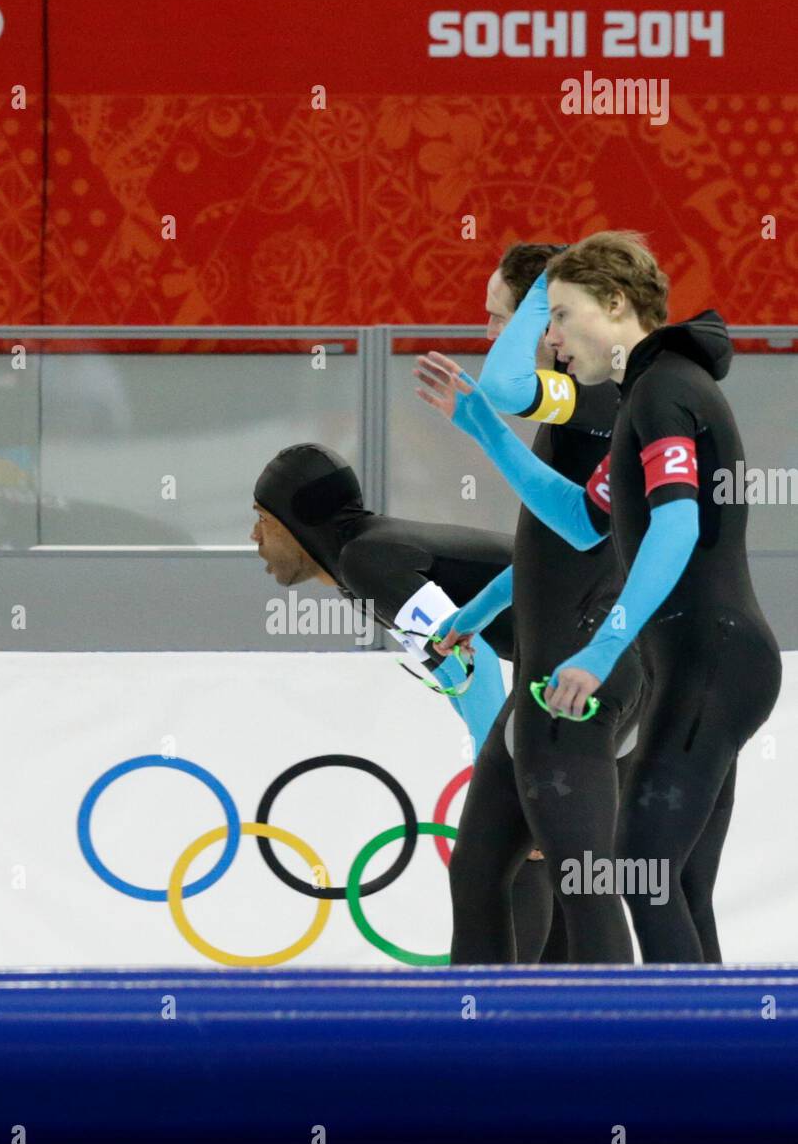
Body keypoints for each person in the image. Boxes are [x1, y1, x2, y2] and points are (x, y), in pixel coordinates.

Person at [422, 230, 781, 961]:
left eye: (557, 314)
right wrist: (486, 436)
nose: (549, 336)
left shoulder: (663, 389)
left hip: (706, 658)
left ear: (615, 304)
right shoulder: (649, 391)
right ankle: (705, 1060)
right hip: (703, 659)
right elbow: (581, 522)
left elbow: (677, 525)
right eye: (542, 317)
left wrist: (601, 645)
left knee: (641, 877)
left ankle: (666, 1062)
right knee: (667, 883)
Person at [416, 242, 642, 964]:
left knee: (583, 888)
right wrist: (472, 615)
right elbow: (553, 542)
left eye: (498, 318)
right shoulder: (576, 411)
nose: (488, 333)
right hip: (553, 679)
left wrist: (547, 283)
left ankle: (621, 1061)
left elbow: (505, 387)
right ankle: (479, 1049)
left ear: (546, 324)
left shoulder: (591, 398)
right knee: (479, 874)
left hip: (576, 682)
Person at [252, 443, 561, 961]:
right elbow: (460, 672)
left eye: (261, 520)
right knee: (519, 857)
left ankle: (484, 1024)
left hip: (603, 661)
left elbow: (473, 659)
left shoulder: (364, 559)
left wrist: (505, 785)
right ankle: (541, 1020)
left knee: (489, 860)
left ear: (292, 522)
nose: (253, 537)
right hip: (605, 663)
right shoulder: (364, 562)